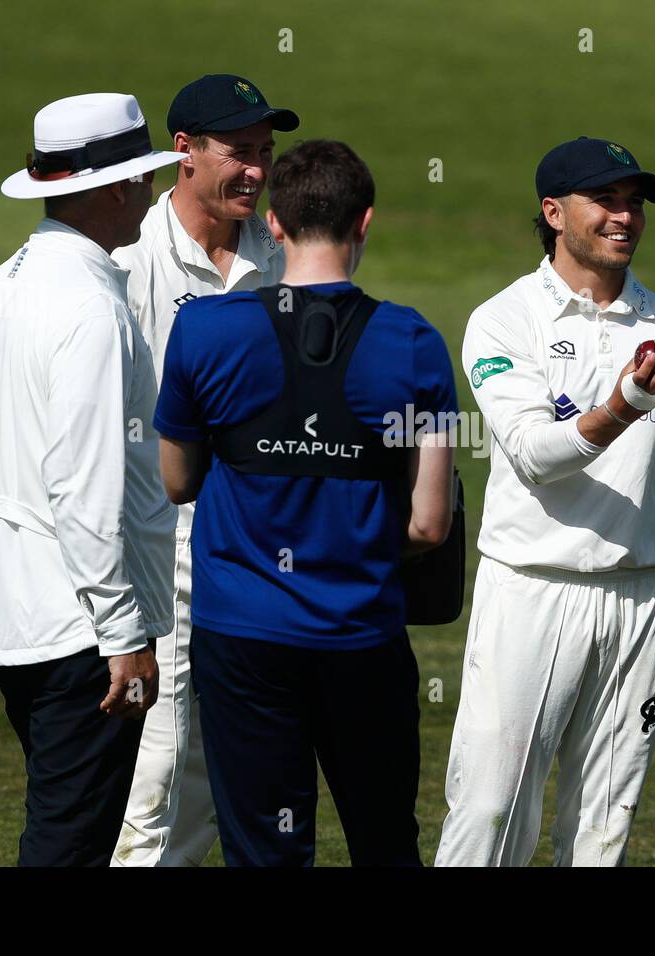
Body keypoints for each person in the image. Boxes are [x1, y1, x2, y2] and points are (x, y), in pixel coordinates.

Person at [152, 139, 457, 866]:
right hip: (362, 639)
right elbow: (428, 522)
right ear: (367, 222)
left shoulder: (203, 329)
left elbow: (175, 482)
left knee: (266, 853)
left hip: (242, 639)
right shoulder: (415, 343)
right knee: (385, 844)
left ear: (277, 226)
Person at [434, 137, 655, 867]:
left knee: (602, 828)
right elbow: (534, 453)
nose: (625, 217)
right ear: (554, 212)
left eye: (635, 202)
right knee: (492, 811)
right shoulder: (504, 321)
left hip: (638, 601)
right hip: (530, 589)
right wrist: (623, 404)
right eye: (607, 200)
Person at [0, 93, 184, 865]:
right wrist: (122, 635)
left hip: (11, 620)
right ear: (112, 189)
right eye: (144, 177)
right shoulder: (90, 306)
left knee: (59, 822)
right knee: (70, 844)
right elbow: (84, 487)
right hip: (85, 632)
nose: (151, 191)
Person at [111, 74, 299, 867]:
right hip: (157, 541)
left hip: (258, 541)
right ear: (182, 153)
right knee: (157, 755)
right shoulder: (126, 262)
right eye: (238, 152)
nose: (256, 169)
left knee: (227, 760)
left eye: (265, 152)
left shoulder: (281, 254)